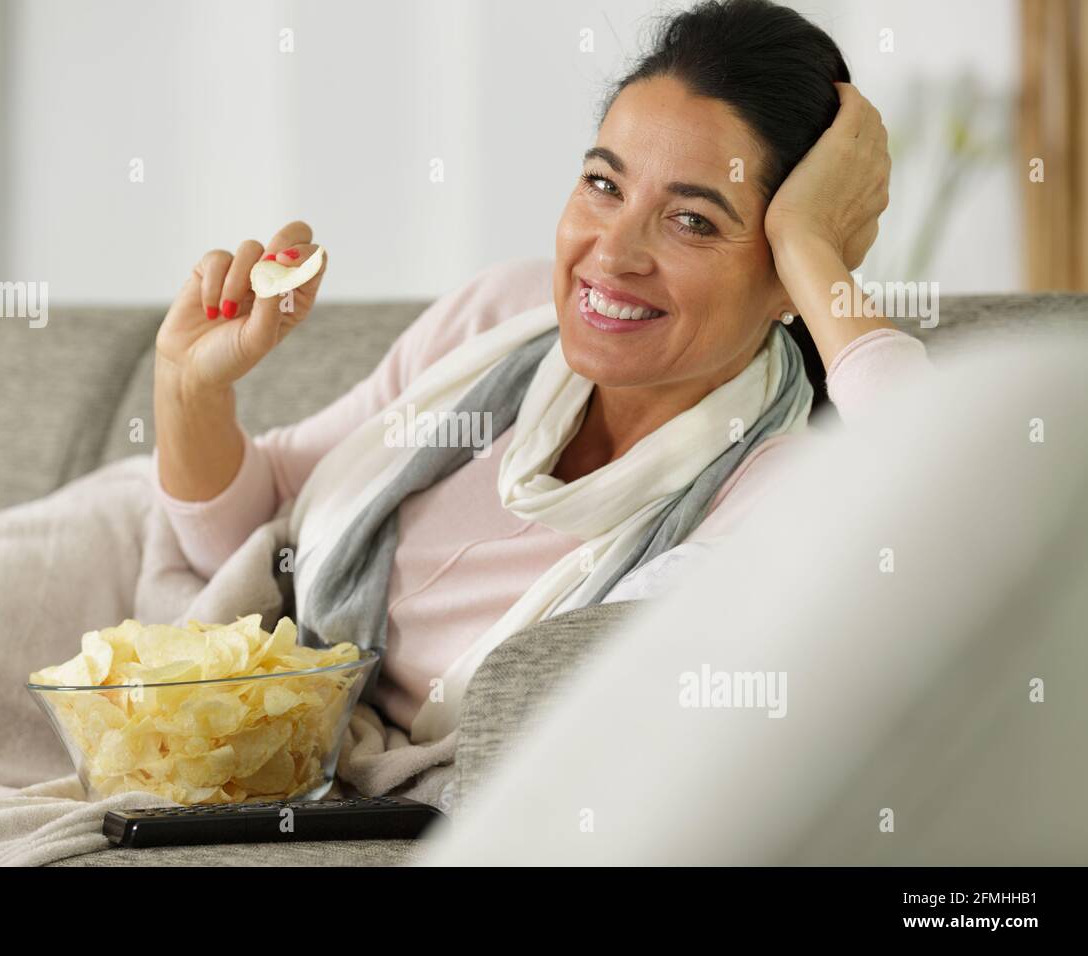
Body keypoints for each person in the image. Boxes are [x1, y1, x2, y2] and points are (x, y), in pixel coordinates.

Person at [150, 0, 931, 742]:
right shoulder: (502, 316)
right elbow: (252, 532)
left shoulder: (774, 491)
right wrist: (191, 387)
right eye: (604, 184)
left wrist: (809, 243)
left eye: (693, 220)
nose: (613, 254)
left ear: (783, 281)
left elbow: (948, 497)